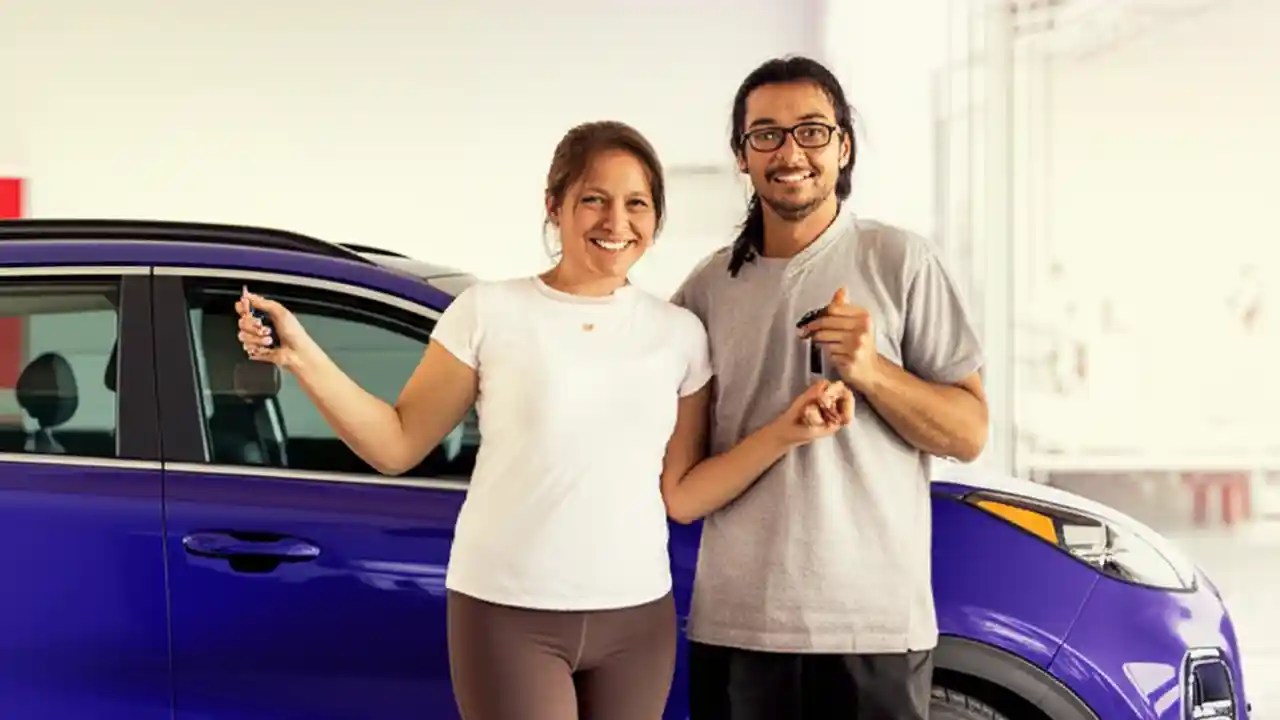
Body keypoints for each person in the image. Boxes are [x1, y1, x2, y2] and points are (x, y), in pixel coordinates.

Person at [234, 119, 855, 720]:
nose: (617, 222)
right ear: (555, 205)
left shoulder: (678, 335)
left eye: (637, 203)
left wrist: (788, 431)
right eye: (594, 199)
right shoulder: (489, 313)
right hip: (508, 613)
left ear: (656, 218)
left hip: (636, 619)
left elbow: (684, 495)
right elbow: (396, 444)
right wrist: (301, 356)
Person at [670, 56, 990, 720]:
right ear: (742, 156)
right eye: (767, 134)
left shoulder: (900, 261)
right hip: (738, 627)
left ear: (843, 147)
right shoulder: (706, 289)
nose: (790, 152)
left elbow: (969, 432)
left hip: (872, 630)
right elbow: (678, 469)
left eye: (812, 131)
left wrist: (871, 369)